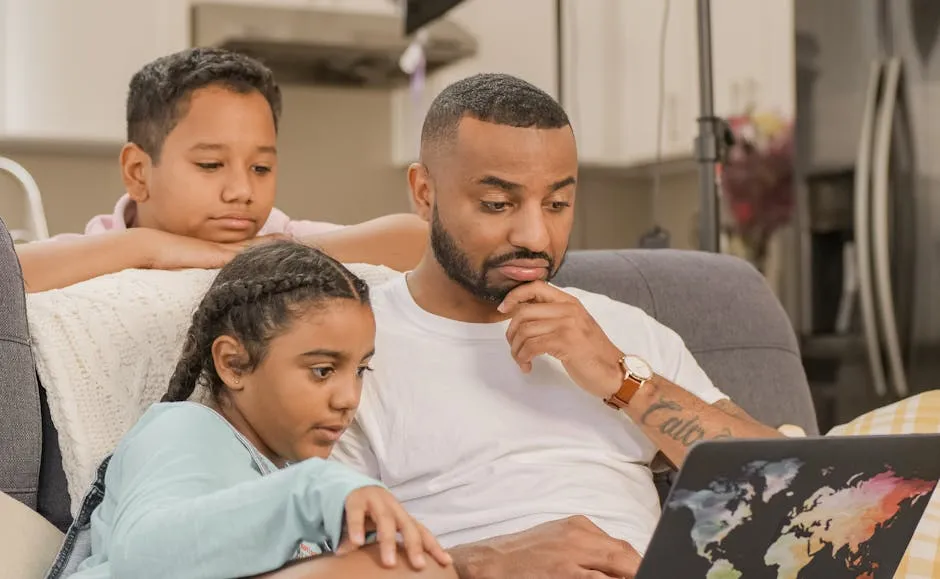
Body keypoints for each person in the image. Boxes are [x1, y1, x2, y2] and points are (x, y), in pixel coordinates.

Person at [288, 73, 782, 579]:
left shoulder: (624, 331)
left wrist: (625, 381)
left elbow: (784, 490)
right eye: (498, 204)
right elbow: (306, 561)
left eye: (557, 204)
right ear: (424, 191)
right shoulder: (352, 346)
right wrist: (477, 565)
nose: (534, 235)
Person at [47, 241, 451, 579]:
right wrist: (312, 491)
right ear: (234, 364)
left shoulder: (282, 475)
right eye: (322, 370)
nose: (348, 397)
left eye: (361, 370)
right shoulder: (184, 429)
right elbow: (143, 560)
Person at [17, 47, 428, 293]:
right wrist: (148, 247)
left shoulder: (277, 238)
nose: (242, 190)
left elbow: (419, 242)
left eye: (261, 167)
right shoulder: (100, 249)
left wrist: (254, 255)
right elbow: (11, 276)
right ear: (138, 172)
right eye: (211, 164)